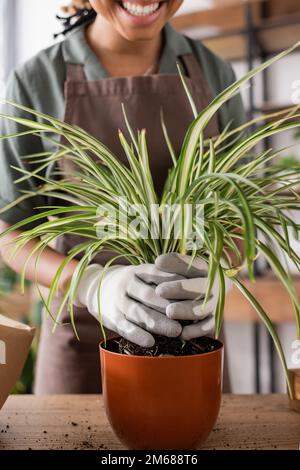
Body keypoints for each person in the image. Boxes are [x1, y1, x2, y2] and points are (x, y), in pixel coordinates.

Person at [0, 0, 245, 393]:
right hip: (79, 337)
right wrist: (92, 284)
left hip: (191, 338)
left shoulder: (214, 72)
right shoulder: (36, 81)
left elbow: (241, 215)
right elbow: (9, 234)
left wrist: (220, 273)